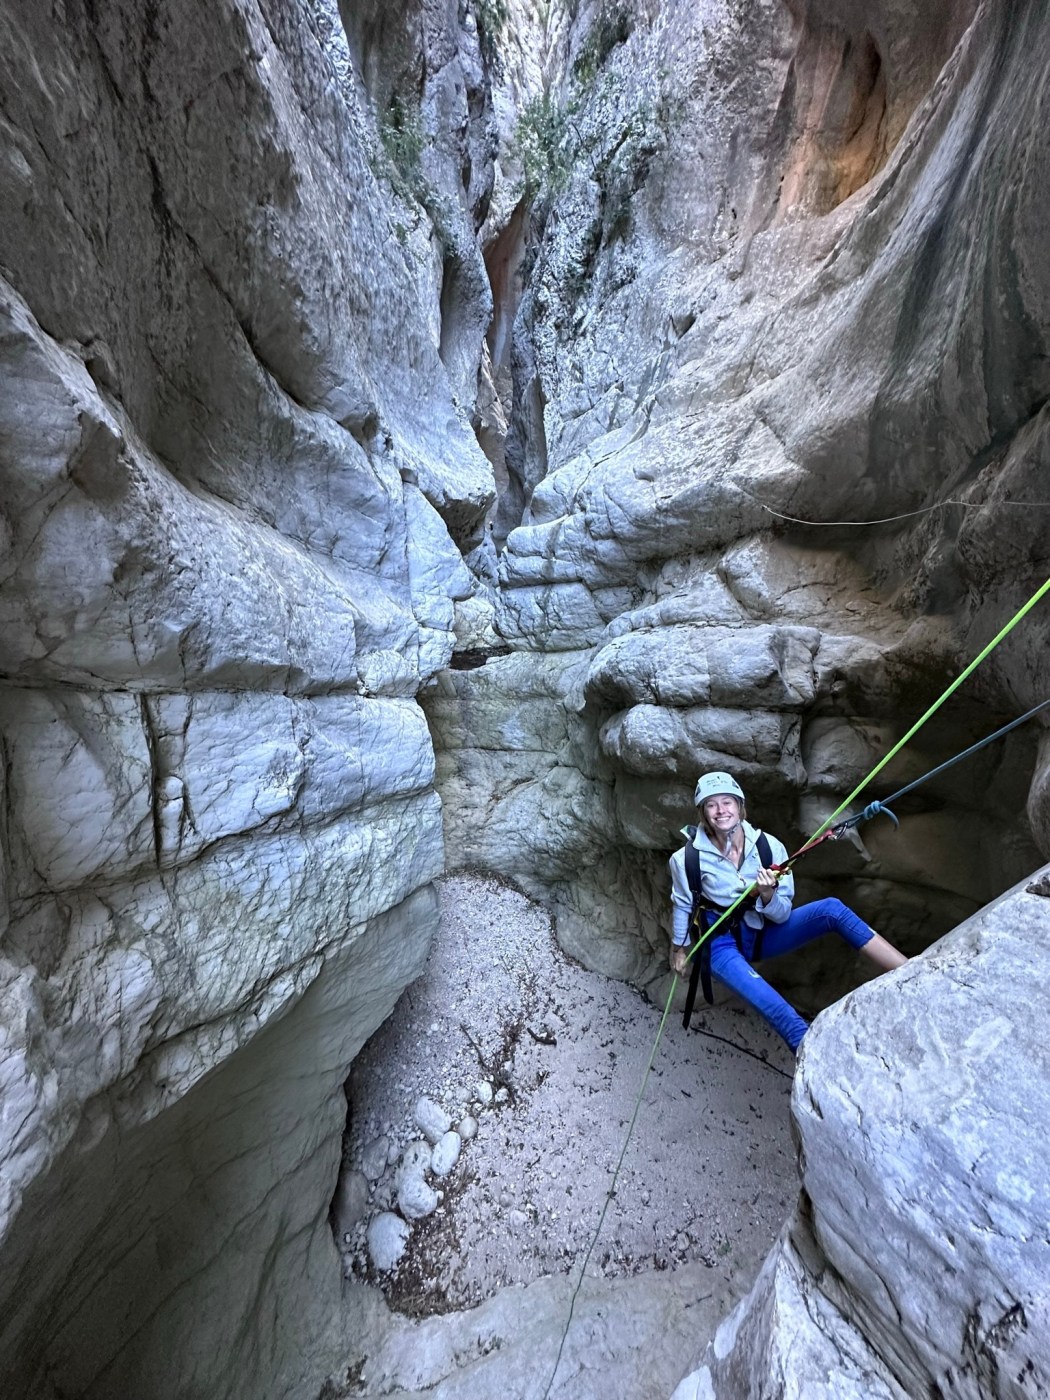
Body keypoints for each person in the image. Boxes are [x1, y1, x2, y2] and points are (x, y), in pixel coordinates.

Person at [668, 771, 907, 1053]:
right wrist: (679, 949)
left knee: (831, 909)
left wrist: (768, 894)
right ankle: (820, 1065)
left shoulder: (770, 848)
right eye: (712, 804)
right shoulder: (686, 859)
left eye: (728, 802)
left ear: (740, 806)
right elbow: (683, 904)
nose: (721, 811)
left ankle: (910, 969)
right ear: (703, 812)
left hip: (760, 933)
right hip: (717, 943)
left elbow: (780, 916)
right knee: (786, 1017)